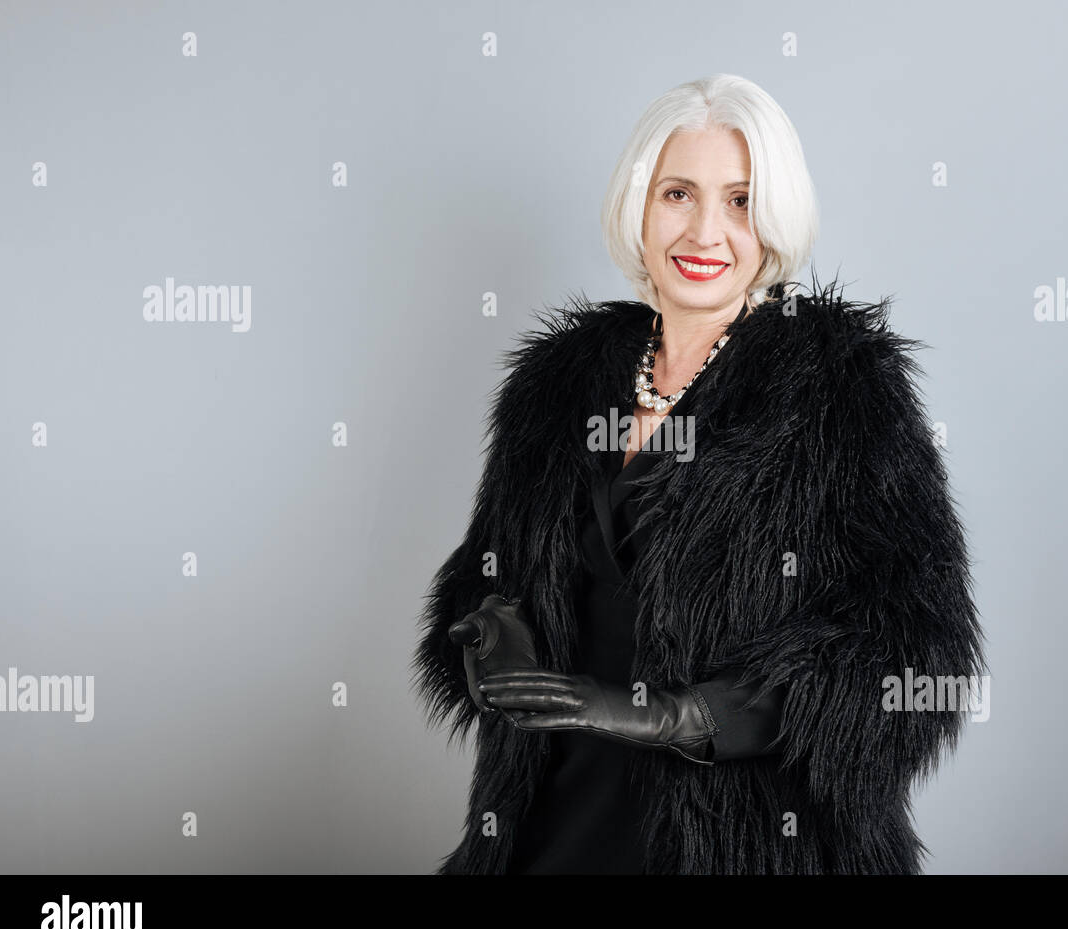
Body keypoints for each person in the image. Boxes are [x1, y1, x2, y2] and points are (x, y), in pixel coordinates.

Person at [413, 73, 986, 875]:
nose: (706, 231)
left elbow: (918, 652)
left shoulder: (840, 386)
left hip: (750, 840)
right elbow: (485, 572)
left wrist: (689, 715)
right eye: (678, 193)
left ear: (774, 219)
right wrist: (488, 627)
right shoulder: (555, 383)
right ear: (639, 207)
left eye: (742, 200)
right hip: (554, 823)